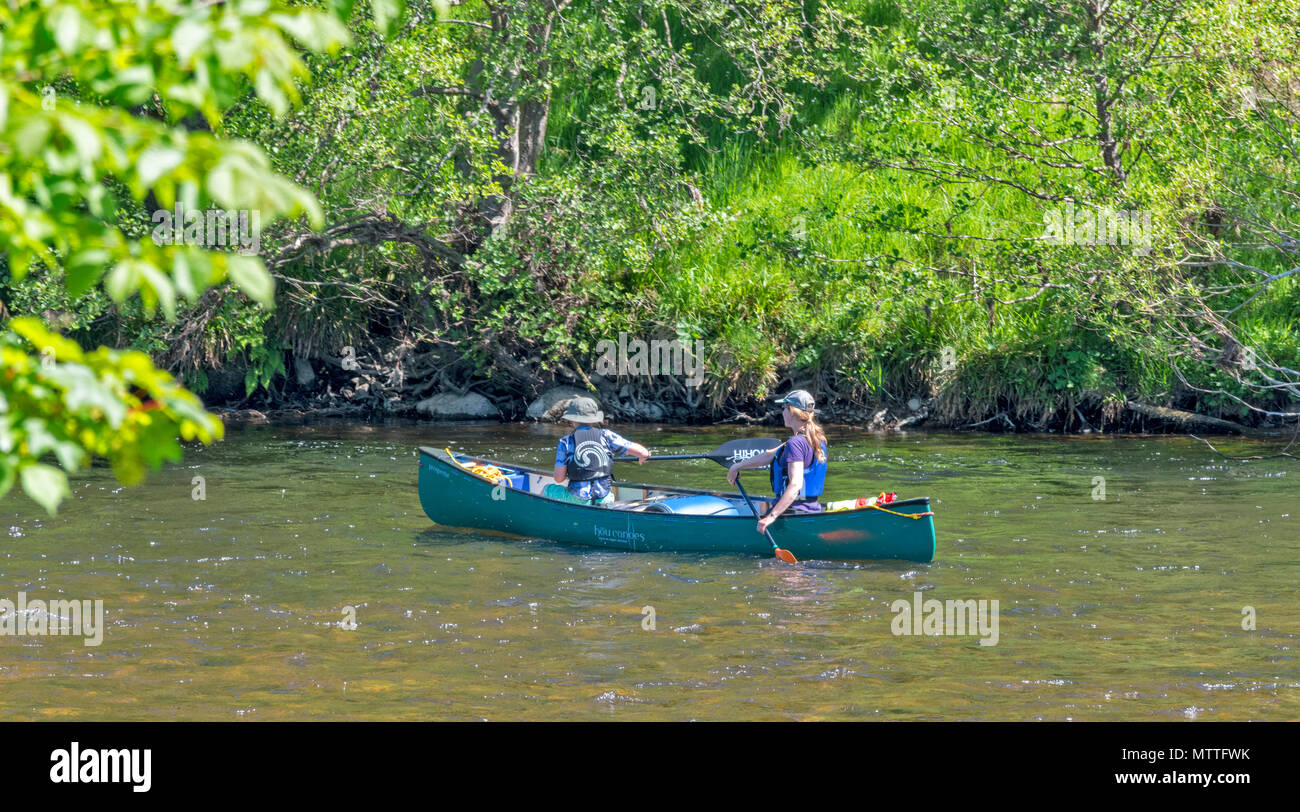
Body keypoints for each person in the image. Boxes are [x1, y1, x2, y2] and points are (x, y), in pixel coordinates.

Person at [727, 389, 828, 533]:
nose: (782, 412)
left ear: (791, 411)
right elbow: (769, 455)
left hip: (793, 512)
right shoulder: (816, 439)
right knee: (763, 502)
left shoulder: (796, 443)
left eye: (783, 408)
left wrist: (772, 516)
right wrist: (737, 466)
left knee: (761, 507)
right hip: (812, 508)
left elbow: (795, 485)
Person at [544, 396, 650, 506]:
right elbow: (642, 452)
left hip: (577, 498)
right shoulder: (607, 435)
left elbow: (559, 478)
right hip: (605, 499)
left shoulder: (565, 441)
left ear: (572, 420)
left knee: (547, 488)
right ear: (594, 419)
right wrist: (643, 456)